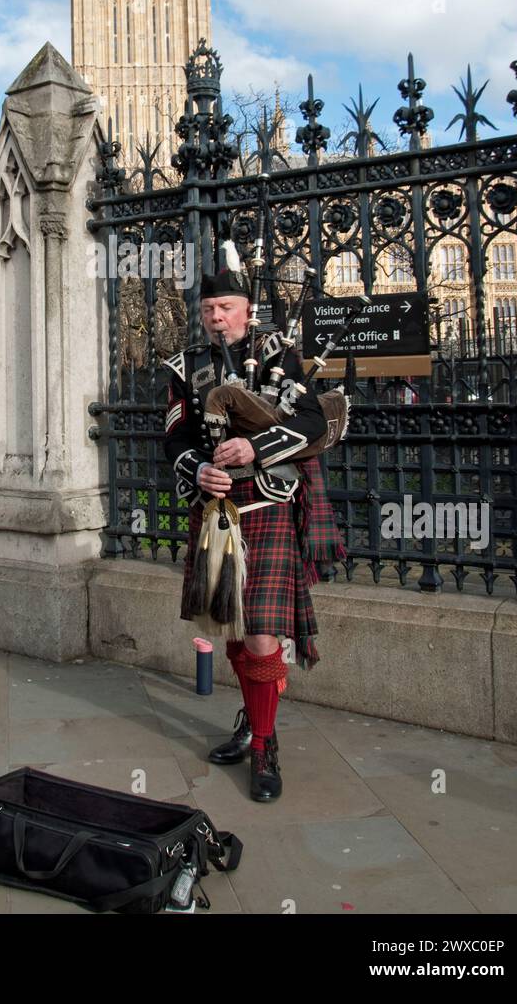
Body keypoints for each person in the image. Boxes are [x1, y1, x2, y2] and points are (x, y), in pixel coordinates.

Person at [163, 264, 346, 802]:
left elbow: (313, 422)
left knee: (263, 633)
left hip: (265, 503)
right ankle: (250, 720)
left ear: (247, 310)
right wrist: (198, 468)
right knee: (235, 628)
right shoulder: (185, 367)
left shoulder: (279, 356)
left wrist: (254, 448)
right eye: (208, 310)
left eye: (226, 308)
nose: (217, 318)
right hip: (216, 507)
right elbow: (174, 437)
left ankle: (264, 745)